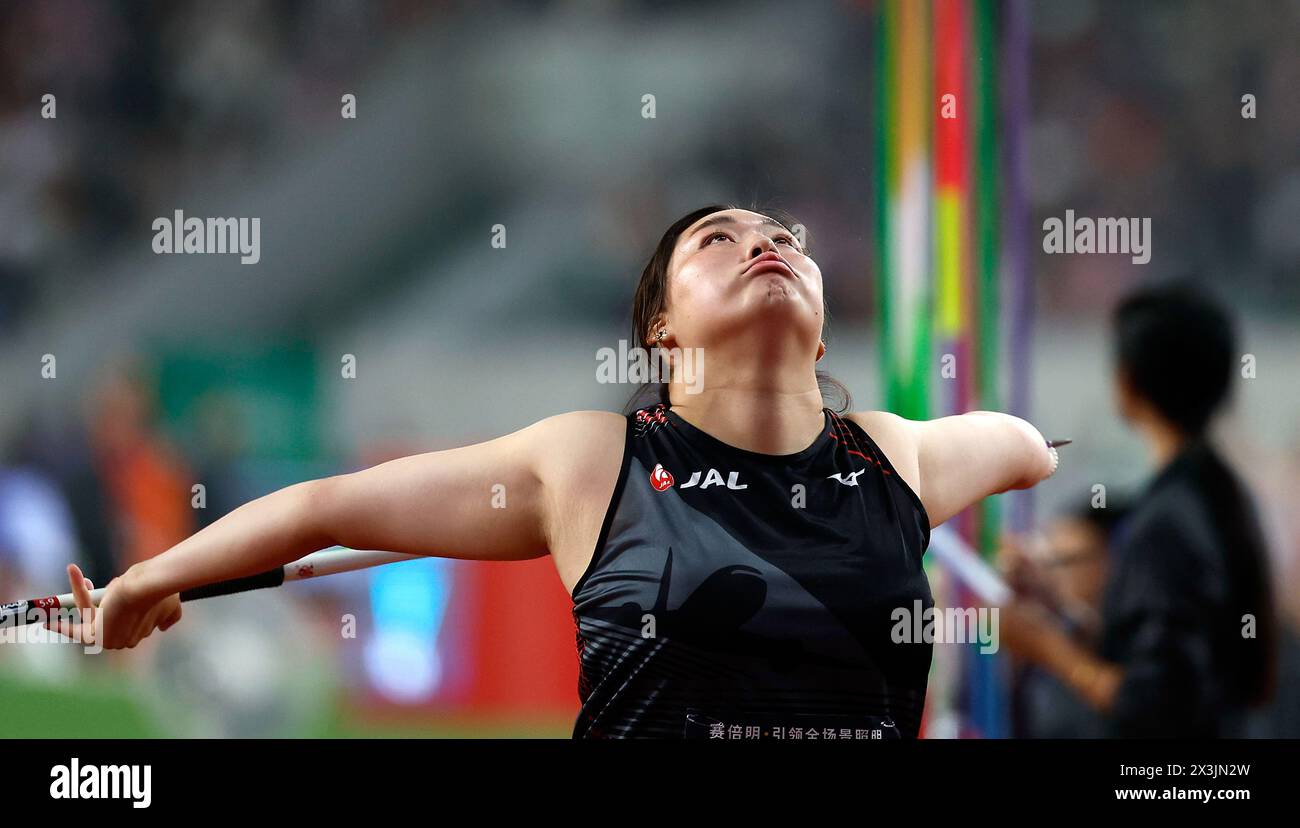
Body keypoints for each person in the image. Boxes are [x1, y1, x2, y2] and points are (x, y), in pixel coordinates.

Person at [48, 205, 1059, 739]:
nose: (765, 246)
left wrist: (1051, 526)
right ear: (662, 328)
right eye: (720, 240)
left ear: (823, 325)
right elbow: (323, 508)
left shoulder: (892, 453)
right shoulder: (592, 461)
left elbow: (1022, 446)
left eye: (784, 239)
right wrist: (155, 578)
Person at [1000, 283, 1277, 738]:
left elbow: (1158, 704)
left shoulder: (1169, 521)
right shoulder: (1215, 497)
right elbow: (1162, 657)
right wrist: (1061, 610)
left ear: (1129, 383)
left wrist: (1048, 649)